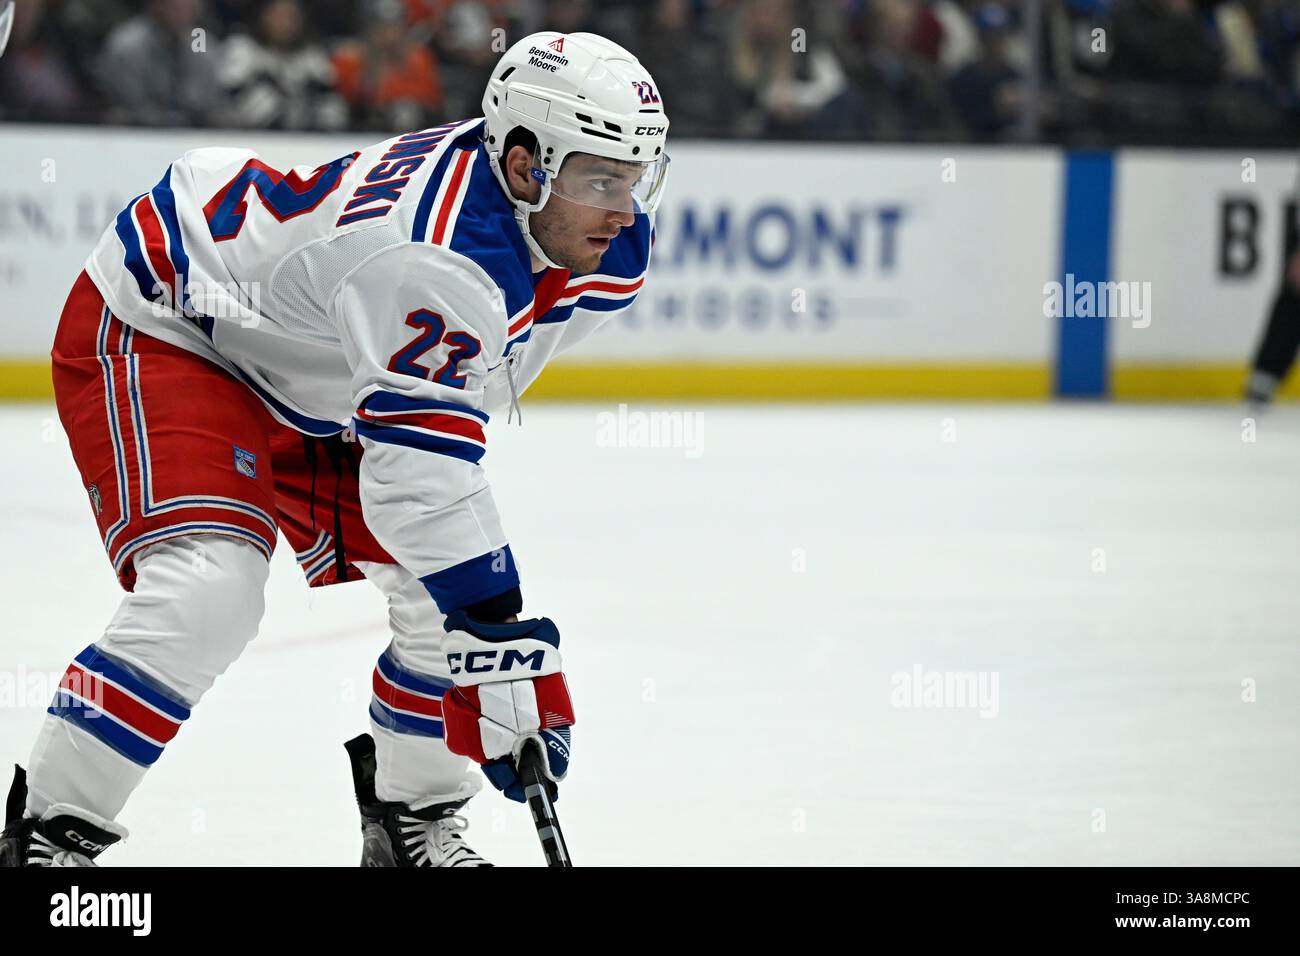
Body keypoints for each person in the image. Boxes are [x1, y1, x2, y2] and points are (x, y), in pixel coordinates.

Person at [0, 31, 670, 868]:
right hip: (177, 320)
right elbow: (420, 478)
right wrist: (501, 637)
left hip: (325, 371)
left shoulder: (595, 241)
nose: (624, 207)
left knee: (442, 597)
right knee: (210, 592)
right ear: (528, 164)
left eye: (636, 175)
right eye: (599, 178)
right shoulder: (437, 254)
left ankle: (409, 820)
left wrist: (489, 636)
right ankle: (48, 834)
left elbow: (438, 430)